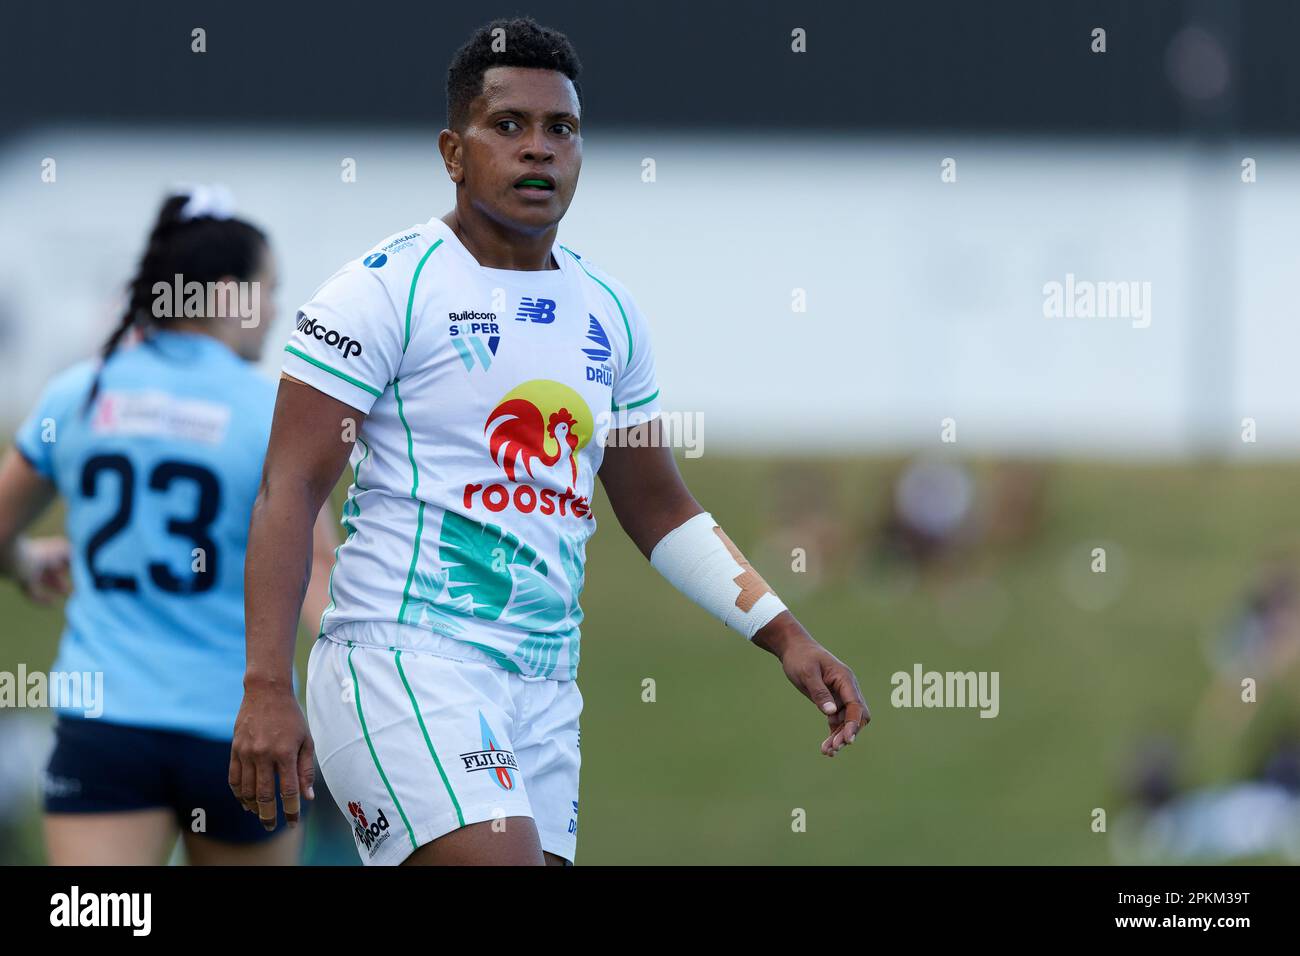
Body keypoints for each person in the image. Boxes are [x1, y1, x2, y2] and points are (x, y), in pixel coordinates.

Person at [231, 17, 869, 866]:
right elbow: (288, 492)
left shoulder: (608, 311)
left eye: (559, 129)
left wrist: (786, 635)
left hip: (542, 689)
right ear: (454, 153)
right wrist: (266, 685)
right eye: (509, 127)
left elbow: (660, 509)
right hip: (403, 665)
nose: (539, 149)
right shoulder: (380, 291)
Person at [0, 188, 337, 864]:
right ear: (225, 294)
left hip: (105, 732)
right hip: (238, 736)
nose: (273, 310)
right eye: (267, 289)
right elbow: (319, 581)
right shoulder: (268, 413)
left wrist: (25, 561)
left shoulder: (81, 392)